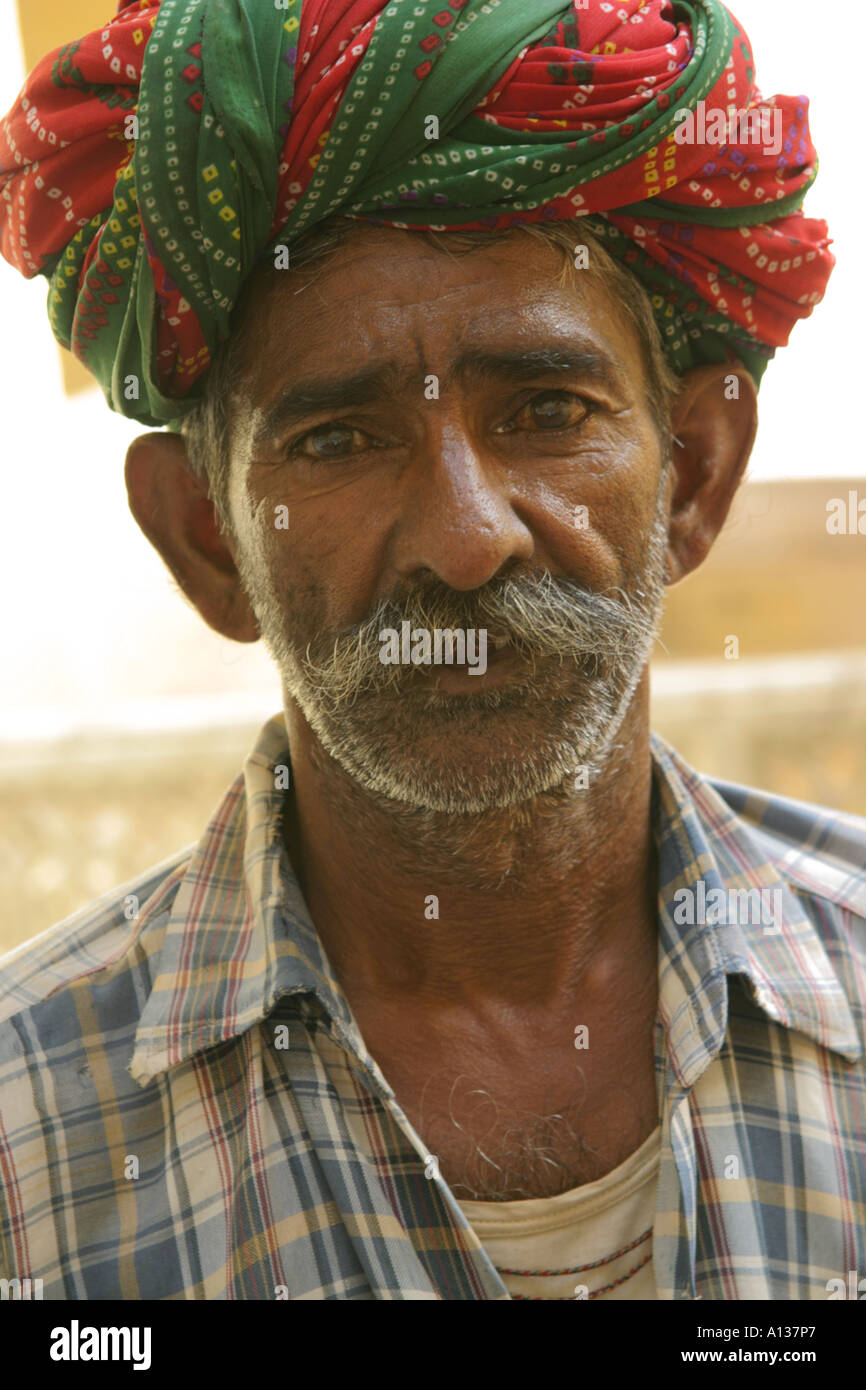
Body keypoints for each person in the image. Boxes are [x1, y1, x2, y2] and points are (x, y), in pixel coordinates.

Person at [0, 0, 862, 1302]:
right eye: (340, 439)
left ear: (690, 475)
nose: (465, 540)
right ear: (204, 540)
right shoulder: (26, 1143)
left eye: (544, 409)